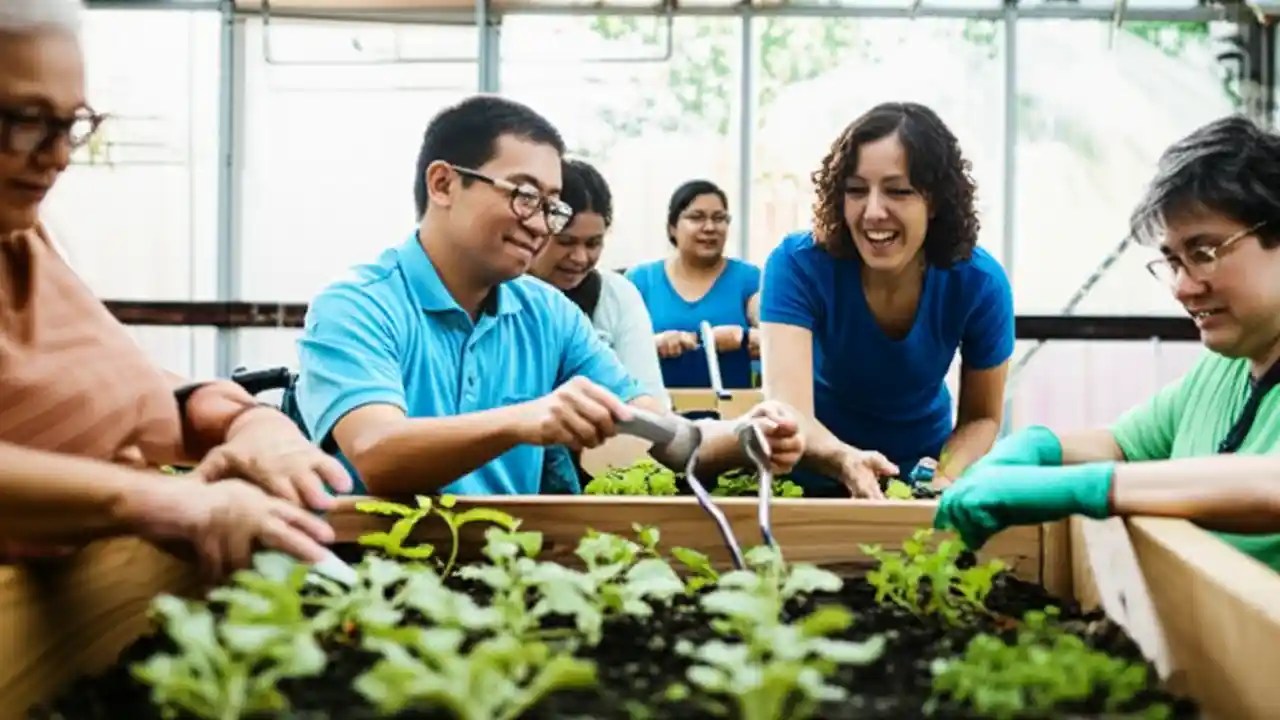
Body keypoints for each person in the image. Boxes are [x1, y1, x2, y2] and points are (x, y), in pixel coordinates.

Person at [294, 95, 804, 498]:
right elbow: (378, 453)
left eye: (551, 207)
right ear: (444, 184)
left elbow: (666, 435)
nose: (540, 225)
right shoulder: (357, 306)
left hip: (507, 573)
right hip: (376, 572)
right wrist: (523, 420)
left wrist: (746, 435)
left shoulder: (548, 314)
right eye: (524, 196)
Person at [0, 0, 350, 580]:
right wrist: (157, 501)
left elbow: (113, 383)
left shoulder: (22, 238)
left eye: (71, 124)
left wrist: (247, 423)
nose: (58, 156)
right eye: (26, 121)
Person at [934, 114, 1280, 571]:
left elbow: (1271, 485)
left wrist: (1089, 489)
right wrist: (1038, 448)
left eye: (1204, 253)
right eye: (1173, 262)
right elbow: (1122, 444)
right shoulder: (1224, 370)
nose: (1182, 287)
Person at [759, 102, 1014, 498]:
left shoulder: (979, 282)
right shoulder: (797, 265)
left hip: (920, 481)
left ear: (935, 202)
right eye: (856, 190)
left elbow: (981, 417)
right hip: (810, 478)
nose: (873, 211)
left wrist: (946, 473)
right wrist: (844, 459)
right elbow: (788, 410)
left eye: (898, 191)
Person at [528, 158, 669, 410]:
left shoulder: (616, 295)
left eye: (593, 244)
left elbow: (647, 402)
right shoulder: (505, 296)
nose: (580, 258)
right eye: (566, 242)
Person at [626, 180, 761, 390]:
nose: (710, 228)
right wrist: (654, 344)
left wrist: (741, 338)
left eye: (719, 218)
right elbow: (612, 350)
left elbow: (778, 340)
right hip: (654, 406)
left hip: (732, 407)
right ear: (672, 227)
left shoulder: (749, 280)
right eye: (696, 218)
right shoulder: (640, 280)